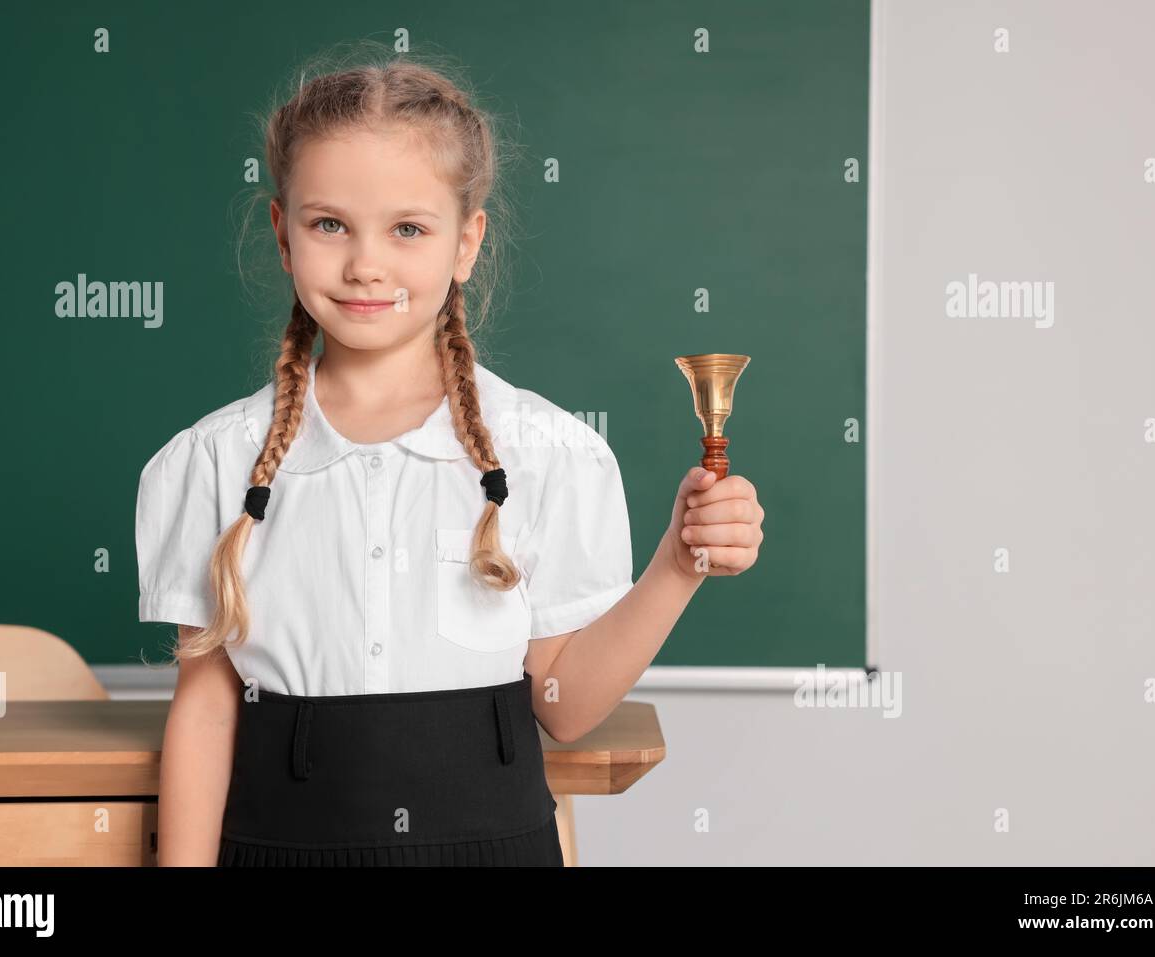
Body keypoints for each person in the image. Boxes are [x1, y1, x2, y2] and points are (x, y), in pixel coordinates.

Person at [135, 50, 764, 867]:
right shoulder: (211, 462)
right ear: (282, 234)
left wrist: (680, 564)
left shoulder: (551, 453)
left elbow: (565, 707)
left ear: (466, 242)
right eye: (330, 224)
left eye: (407, 228)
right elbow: (208, 710)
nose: (366, 263)